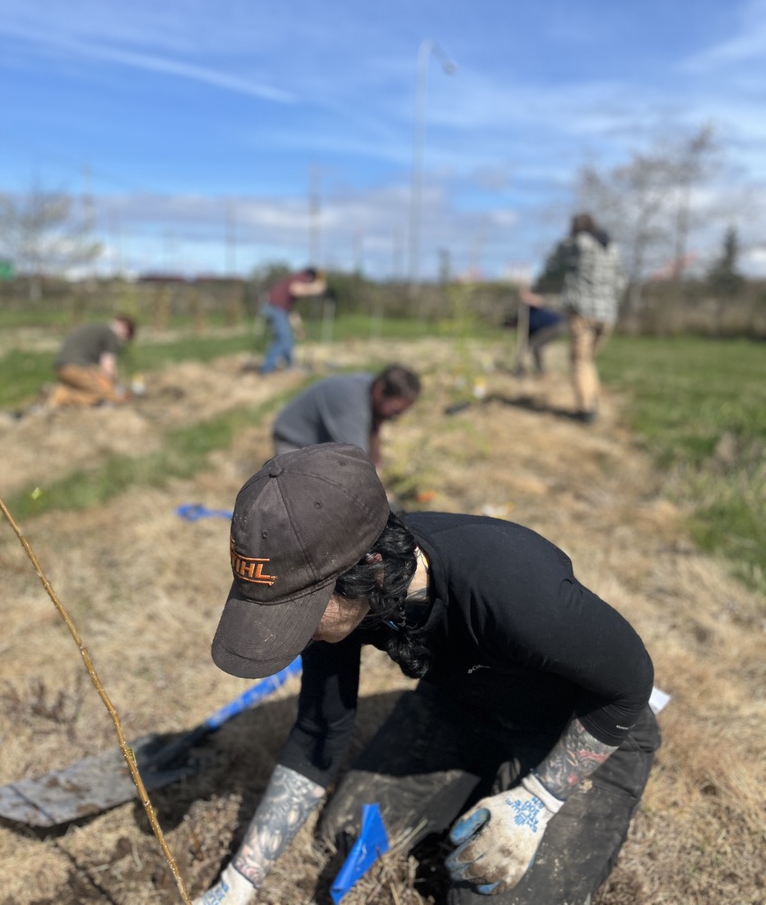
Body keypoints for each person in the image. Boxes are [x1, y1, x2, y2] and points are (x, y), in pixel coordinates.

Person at [193, 443, 660, 905]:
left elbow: (630, 682)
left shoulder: (512, 583)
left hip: (581, 722)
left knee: (479, 897)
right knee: (345, 833)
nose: (295, 633)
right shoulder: (343, 594)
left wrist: (538, 800)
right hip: (463, 707)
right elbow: (320, 728)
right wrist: (239, 882)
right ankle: (479, 786)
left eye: (301, 611)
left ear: (370, 569)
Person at [272, 365, 421, 466]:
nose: (396, 416)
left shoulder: (373, 392)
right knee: (302, 492)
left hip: (319, 444)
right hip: (294, 440)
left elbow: (373, 436)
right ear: (379, 391)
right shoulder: (351, 402)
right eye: (395, 410)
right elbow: (354, 461)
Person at [561, 213, 627, 423]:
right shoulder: (613, 248)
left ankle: (586, 409)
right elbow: (621, 281)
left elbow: (563, 258)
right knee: (588, 359)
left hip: (583, 311)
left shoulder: (578, 243)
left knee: (580, 361)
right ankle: (592, 398)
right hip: (607, 314)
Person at [45, 316, 137, 408]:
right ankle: (64, 397)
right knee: (104, 396)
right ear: (125, 330)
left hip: (61, 368)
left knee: (93, 390)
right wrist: (115, 386)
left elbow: (91, 366)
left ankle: (63, 393)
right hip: (75, 368)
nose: (121, 341)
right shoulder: (111, 334)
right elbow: (107, 366)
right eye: (125, 338)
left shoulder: (96, 328)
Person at [258, 268, 327, 375]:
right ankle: (266, 369)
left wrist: (298, 328)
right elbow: (295, 289)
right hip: (275, 308)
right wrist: (314, 288)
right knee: (283, 338)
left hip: (278, 309)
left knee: (285, 339)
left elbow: (290, 312)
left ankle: (289, 366)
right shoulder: (303, 277)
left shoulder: (294, 281)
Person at [507, 291, 565, 377]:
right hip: (540, 330)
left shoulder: (531, 308)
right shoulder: (522, 315)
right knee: (524, 348)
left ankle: (541, 372)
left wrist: (528, 298)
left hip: (552, 326)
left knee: (536, 347)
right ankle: (521, 369)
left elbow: (539, 301)